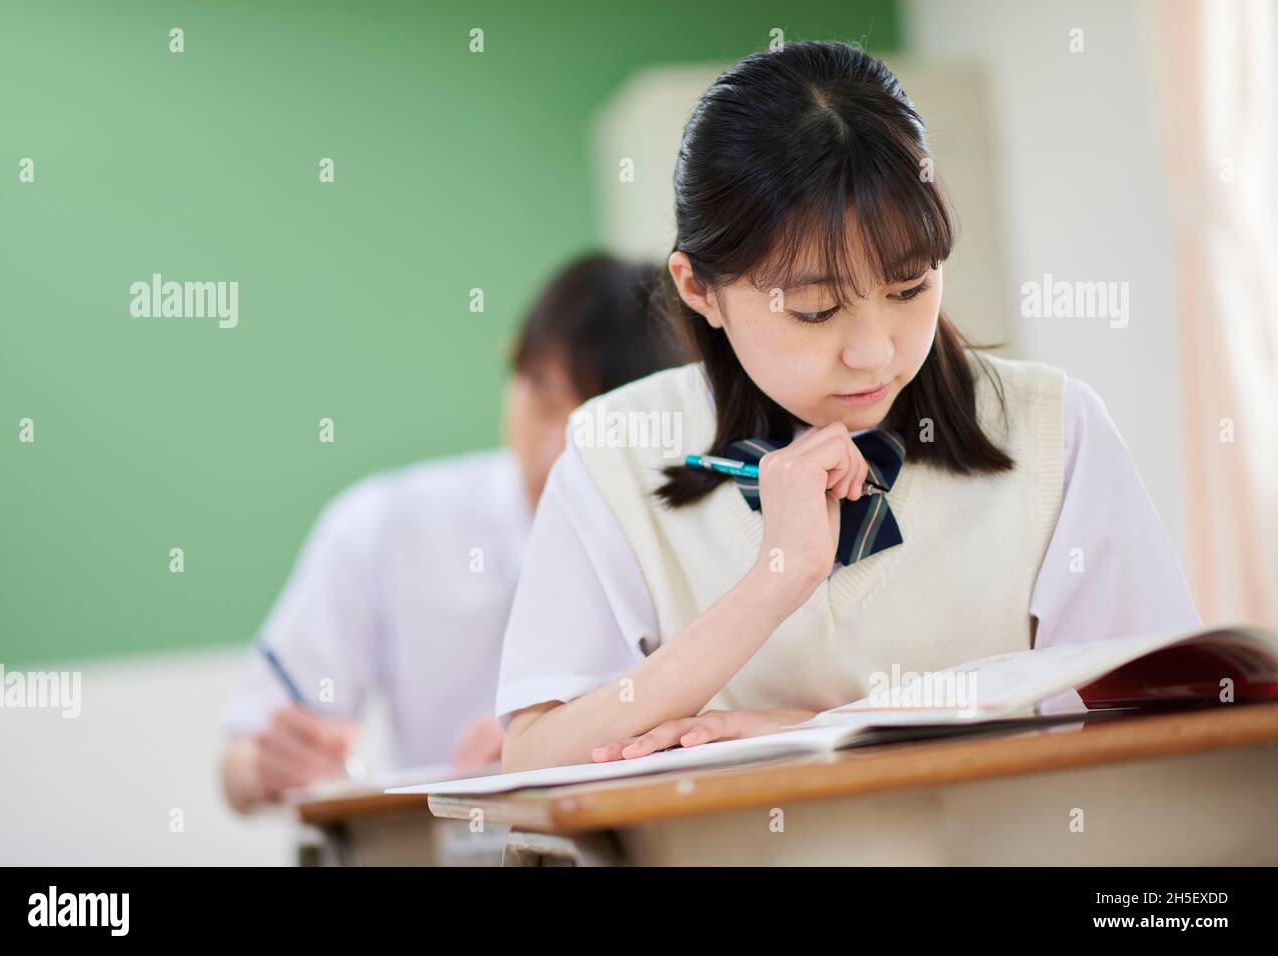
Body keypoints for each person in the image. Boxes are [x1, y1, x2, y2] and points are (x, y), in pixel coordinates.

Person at [495, 41, 1201, 772]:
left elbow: (1159, 735)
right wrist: (773, 582)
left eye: (909, 288)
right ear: (699, 289)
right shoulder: (616, 449)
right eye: (815, 309)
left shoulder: (1056, 429)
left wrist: (829, 733)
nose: (874, 351)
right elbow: (536, 757)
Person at [218, 253, 688, 812]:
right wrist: (263, 762)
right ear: (512, 368)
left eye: (594, 420)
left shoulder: (695, 534)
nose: (558, 450)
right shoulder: (385, 525)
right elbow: (238, 770)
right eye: (541, 397)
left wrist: (557, 747)